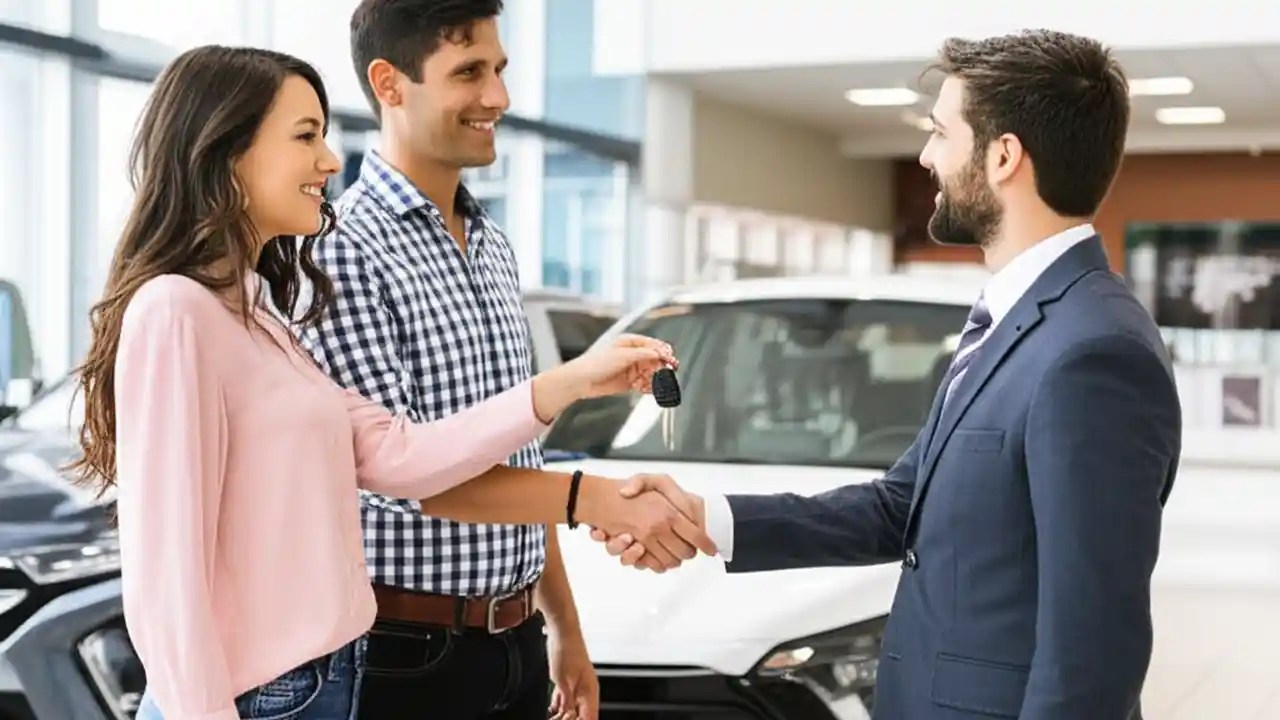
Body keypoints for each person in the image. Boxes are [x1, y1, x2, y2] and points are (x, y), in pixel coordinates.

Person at [69, 45, 711, 720]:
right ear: (227, 152)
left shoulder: (259, 313)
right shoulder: (176, 311)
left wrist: (571, 384)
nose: (328, 161)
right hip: (261, 695)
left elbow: (400, 456)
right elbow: (165, 582)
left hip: (324, 680)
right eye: (306, 136)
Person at [595, 29, 1182, 720]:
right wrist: (707, 518)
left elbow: (1093, 649)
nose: (927, 156)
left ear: (1002, 157)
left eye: (939, 132)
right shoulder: (1016, 320)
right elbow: (900, 508)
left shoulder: (1092, 352)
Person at [295, 2, 702, 717]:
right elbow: (416, 478)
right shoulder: (341, 251)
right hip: (403, 655)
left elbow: (518, 456)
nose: (499, 98)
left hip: (512, 642)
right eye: (469, 73)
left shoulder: (491, 245)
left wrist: (565, 629)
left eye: (501, 70)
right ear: (390, 84)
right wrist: (602, 501)